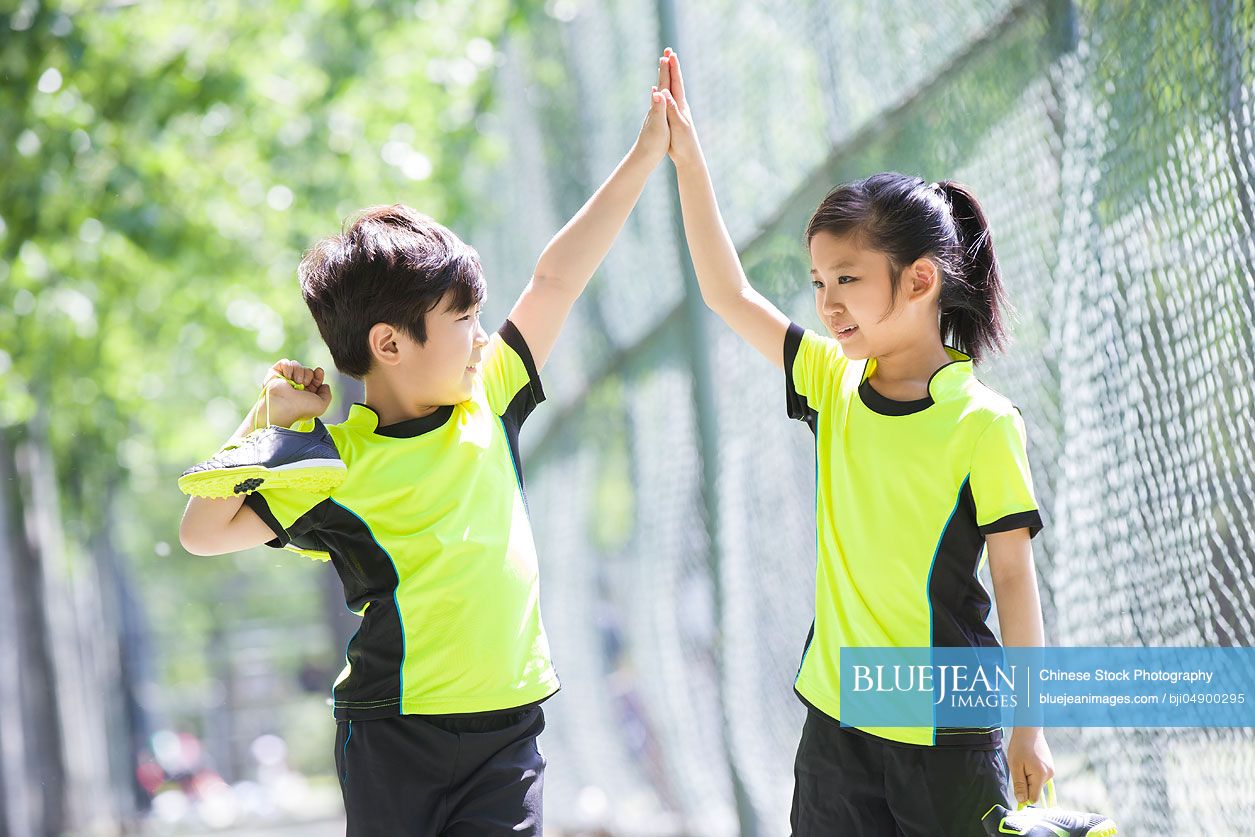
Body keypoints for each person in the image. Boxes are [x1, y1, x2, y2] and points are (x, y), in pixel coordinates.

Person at [177, 56, 677, 836]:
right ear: (389, 343)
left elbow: (554, 279)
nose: (482, 338)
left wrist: (645, 156)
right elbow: (202, 533)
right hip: (391, 735)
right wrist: (269, 422)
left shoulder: (491, 392)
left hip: (507, 728)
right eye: (463, 321)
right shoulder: (329, 462)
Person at [655, 48, 1113, 835]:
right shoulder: (829, 382)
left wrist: (1028, 727)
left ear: (920, 280)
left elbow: (1013, 579)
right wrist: (689, 162)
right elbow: (727, 293)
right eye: (817, 283)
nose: (827, 303)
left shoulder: (983, 422)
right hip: (836, 721)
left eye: (847, 279)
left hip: (946, 731)